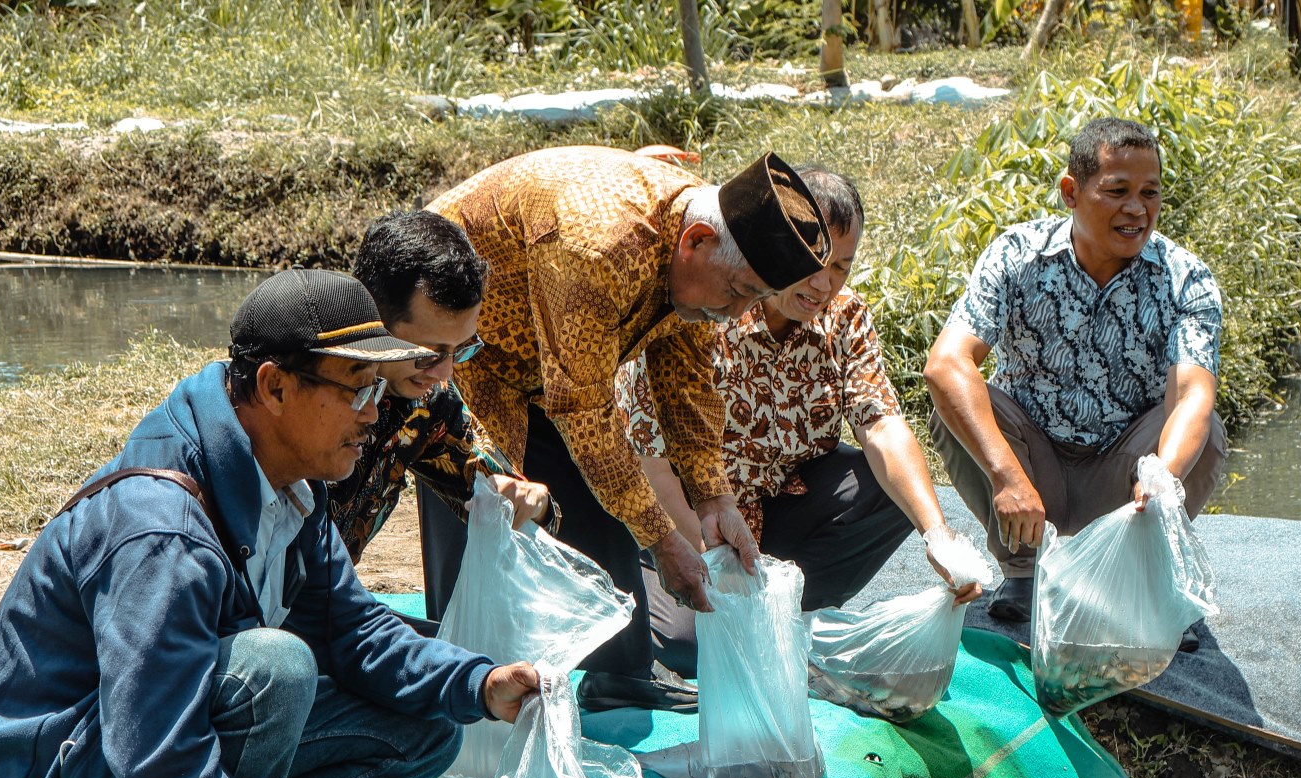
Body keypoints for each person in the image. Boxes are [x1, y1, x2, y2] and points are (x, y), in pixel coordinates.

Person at [0, 269, 541, 778]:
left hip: (124, 746)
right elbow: (153, 751)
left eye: (378, 390)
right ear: (274, 386)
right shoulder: (164, 528)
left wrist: (480, 685)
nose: (374, 414)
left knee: (426, 728)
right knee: (273, 669)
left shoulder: (289, 479)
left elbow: (353, 626)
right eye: (356, 389)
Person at [429, 146, 833, 711]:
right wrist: (662, 537)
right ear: (694, 241)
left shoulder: (704, 250)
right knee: (483, 512)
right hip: (462, 351)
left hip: (549, 362)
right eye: (740, 293)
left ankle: (620, 669)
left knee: (602, 504)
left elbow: (686, 378)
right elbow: (583, 408)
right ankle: (454, 689)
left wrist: (713, 497)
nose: (740, 312)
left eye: (755, 299)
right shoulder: (595, 247)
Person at [615, 166, 983, 677]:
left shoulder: (845, 317)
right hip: (680, 516)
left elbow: (881, 424)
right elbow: (650, 462)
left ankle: (782, 605)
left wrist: (936, 534)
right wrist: (707, 561)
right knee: (688, 645)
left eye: (840, 268)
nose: (822, 284)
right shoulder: (709, 301)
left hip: (774, 504)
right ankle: (660, 577)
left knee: (891, 494)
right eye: (812, 262)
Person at [924, 116, 1229, 627]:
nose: (1137, 209)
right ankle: (1024, 573)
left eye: (1149, 192)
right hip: (1029, 474)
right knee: (957, 400)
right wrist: (1006, 476)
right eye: (1117, 191)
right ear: (1071, 191)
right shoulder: (1017, 255)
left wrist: (1163, 477)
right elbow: (946, 362)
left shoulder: (1185, 278)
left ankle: (1132, 574)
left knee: (1206, 434)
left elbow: (1194, 392)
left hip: (1121, 478)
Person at [329, 210, 553, 626]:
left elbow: (503, 488)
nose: (444, 372)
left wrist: (530, 501)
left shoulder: (426, 400)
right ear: (373, 318)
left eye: (460, 350)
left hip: (326, 610)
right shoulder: (309, 390)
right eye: (430, 354)